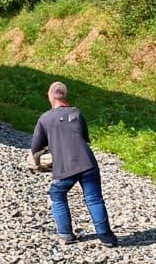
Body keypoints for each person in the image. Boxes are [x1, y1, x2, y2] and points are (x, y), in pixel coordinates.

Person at [28, 81, 119, 247]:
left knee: (57, 195)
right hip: (87, 163)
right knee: (94, 199)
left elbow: (35, 150)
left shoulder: (45, 118)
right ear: (65, 96)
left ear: (50, 97)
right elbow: (83, 139)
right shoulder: (77, 113)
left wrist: (38, 165)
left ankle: (66, 234)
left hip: (64, 168)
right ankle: (107, 238)